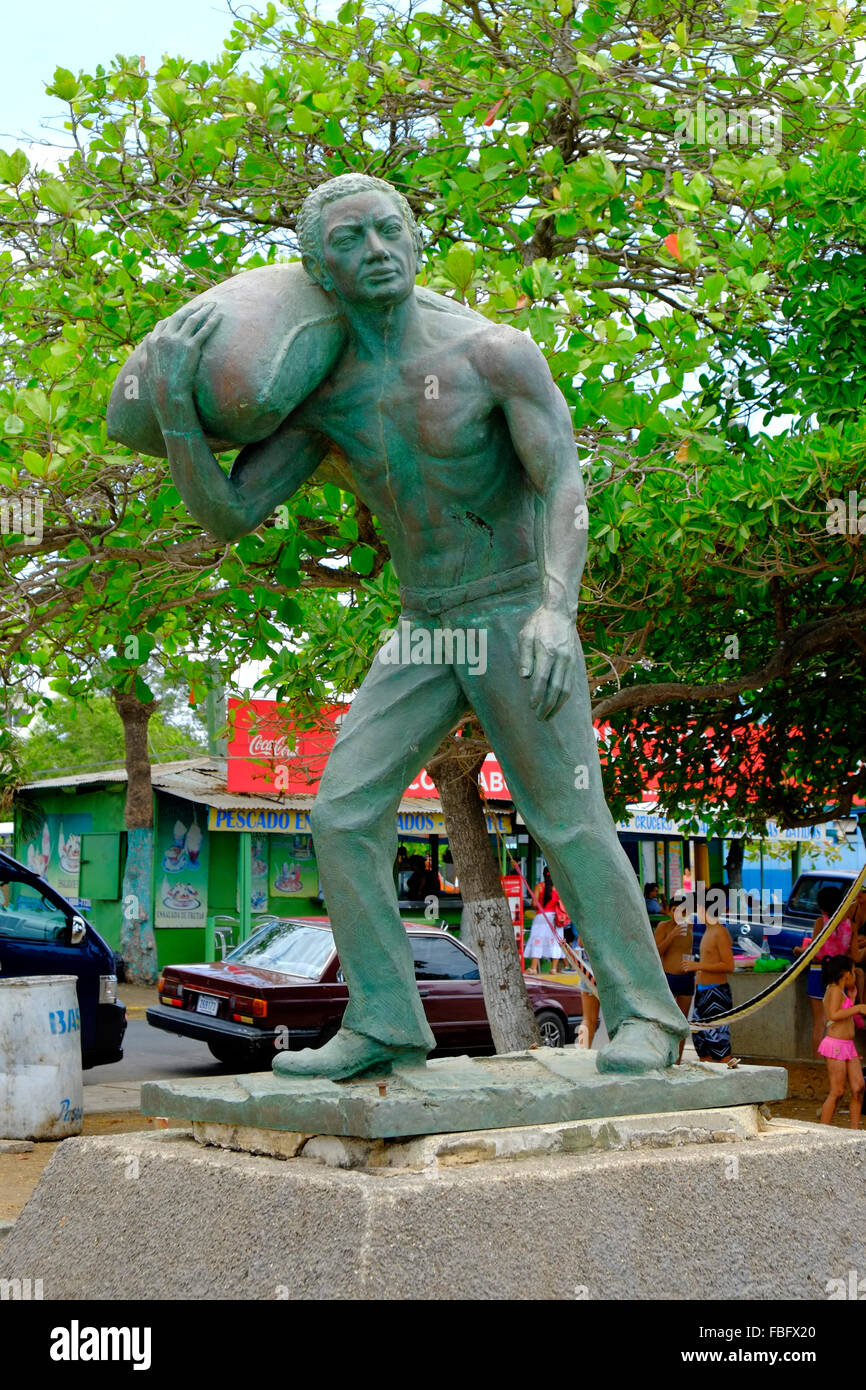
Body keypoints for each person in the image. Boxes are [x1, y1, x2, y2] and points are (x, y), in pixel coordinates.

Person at [150, 170, 690, 1078]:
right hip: (425, 625)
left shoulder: (494, 352)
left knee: (567, 816)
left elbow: (564, 483)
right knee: (340, 811)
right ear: (320, 269)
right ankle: (386, 1023)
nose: (377, 250)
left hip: (517, 607)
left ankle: (647, 1016)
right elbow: (232, 517)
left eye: (389, 229)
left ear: (415, 236)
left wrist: (558, 613)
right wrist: (176, 413)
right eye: (352, 239)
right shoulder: (325, 394)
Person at [793, 887, 855, 1057]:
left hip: (818, 972)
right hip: (840, 975)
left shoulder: (821, 922)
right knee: (835, 1020)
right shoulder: (850, 924)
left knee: (820, 1022)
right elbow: (854, 953)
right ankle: (835, 1059)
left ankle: (817, 1063)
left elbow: (814, 950)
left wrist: (799, 950)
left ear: (822, 907)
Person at [680, 899, 736, 1064]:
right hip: (703, 991)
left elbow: (729, 965)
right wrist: (698, 970)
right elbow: (712, 961)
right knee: (700, 1040)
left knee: (719, 1042)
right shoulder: (708, 931)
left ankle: (727, 1079)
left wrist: (697, 965)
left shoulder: (719, 932)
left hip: (716, 993)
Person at [818, 954, 865, 1128]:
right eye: (853, 971)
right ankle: (821, 1131)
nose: (855, 974)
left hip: (848, 1046)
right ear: (846, 974)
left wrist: (852, 1000)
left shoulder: (841, 992)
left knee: (858, 1088)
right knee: (837, 1091)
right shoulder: (834, 990)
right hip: (836, 1045)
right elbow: (833, 1015)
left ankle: (854, 1130)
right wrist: (858, 1007)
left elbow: (842, 1012)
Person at [653, 892, 694, 1062]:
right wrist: (672, 935)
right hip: (668, 978)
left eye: (682, 912)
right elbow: (655, 952)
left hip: (686, 979)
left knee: (682, 1023)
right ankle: (662, 1056)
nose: (678, 915)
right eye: (675, 911)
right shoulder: (664, 926)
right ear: (669, 911)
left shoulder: (692, 928)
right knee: (664, 1021)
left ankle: (678, 1059)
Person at [525, 873, 567, 975]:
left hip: (541, 917)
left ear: (544, 875)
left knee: (537, 941)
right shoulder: (558, 887)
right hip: (556, 919)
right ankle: (553, 969)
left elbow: (534, 904)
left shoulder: (539, 886)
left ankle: (533, 968)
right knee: (556, 941)